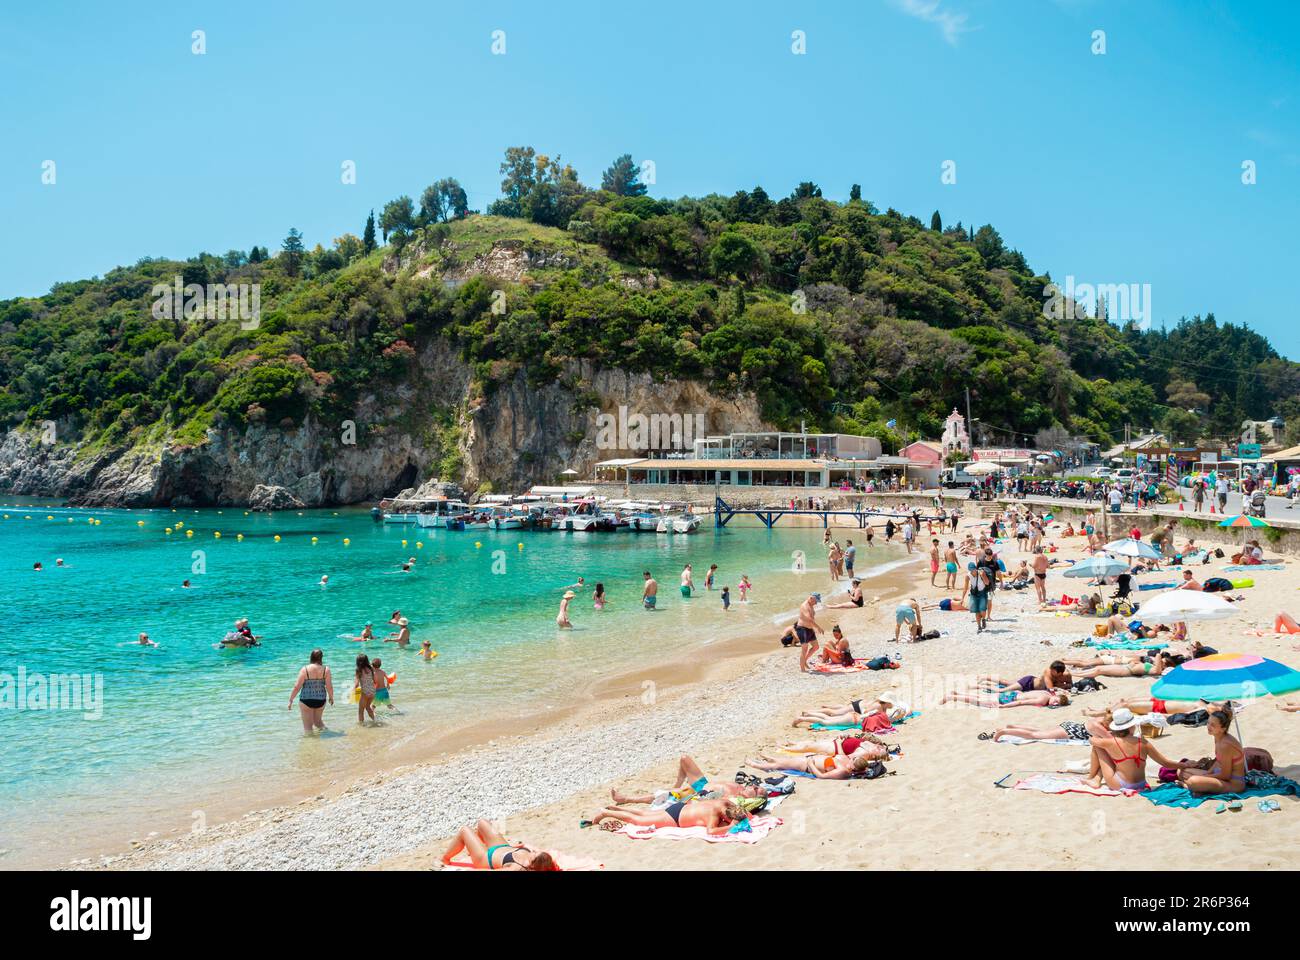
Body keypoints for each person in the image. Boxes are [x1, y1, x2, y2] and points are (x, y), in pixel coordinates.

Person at [1084, 707, 1183, 792]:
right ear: (1132, 725)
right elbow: (1166, 763)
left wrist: (1108, 736)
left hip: (1119, 784)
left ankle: (1093, 779)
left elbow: (1091, 740)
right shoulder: (1143, 743)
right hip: (1141, 784)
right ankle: (1095, 778)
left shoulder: (1111, 742)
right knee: (1106, 748)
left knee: (1098, 746)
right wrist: (1184, 765)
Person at [610, 755, 766, 805]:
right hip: (703, 783)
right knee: (685, 759)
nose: (754, 786)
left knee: (668, 794)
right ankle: (676, 785)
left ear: (754, 798)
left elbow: (714, 802)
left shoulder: (737, 799)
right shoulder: (743, 789)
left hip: (698, 793)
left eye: (756, 789)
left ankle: (626, 799)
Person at [1176, 708, 1248, 795]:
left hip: (1234, 784)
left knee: (1192, 781)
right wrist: (1208, 773)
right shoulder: (1218, 737)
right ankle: (1200, 788)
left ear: (1223, 729)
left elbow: (1226, 775)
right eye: (1208, 723)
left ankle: (1187, 786)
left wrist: (1205, 776)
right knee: (1180, 772)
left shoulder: (1225, 745)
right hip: (1220, 775)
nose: (1208, 726)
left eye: (1213, 725)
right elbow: (1219, 761)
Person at [587, 797, 748, 835]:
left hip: (680, 808)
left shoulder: (724, 802)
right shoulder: (714, 815)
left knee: (645, 813)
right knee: (638, 820)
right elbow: (711, 831)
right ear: (726, 817)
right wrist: (730, 826)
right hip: (675, 818)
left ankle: (615, 807)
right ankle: (606, 813)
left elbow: (743, 812)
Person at [442, 820, 559, 871]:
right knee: (483, 823)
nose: (532, 852)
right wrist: (518, 847)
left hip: (485, 858)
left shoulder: (517, 868)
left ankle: (444, 860)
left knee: (464, 830)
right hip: (501, 847)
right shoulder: (537, 859)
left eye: (533, 855)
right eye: (534, 852)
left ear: (532, 866)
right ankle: (476, 847)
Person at [744, 750, 881, 780]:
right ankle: (768, 756)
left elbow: (821, 776)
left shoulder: (842, 771)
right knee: (784, 760)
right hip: (811, 760)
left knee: (779, 765)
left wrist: (810, 763)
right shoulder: (847, 764)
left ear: (853, 765)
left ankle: (754, 764)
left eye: (853, 760)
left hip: (807, 765)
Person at [288, 649, 333, 733]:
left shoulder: (305, 669)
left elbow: (297, 687)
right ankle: (328, 735)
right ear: (321, 658)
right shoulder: (326, 669)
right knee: (318, 722)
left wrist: (291, 700)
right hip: (320, 700)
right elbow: (329, 686)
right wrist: (331, 697)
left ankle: (311, 745)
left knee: (308, 728)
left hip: (306, 700)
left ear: (311, 657)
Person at [941, 688, 1070, 708]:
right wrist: (1004, 706)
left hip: (1013, 693)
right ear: (1056, 697)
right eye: (1056, 701)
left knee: (981, 696)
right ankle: (952, 697)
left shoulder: (1047, 693)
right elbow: (1020, 703)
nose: (1054, 704)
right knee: (980, 701)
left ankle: (956, 693)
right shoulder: (1043, 700)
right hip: (1011, 699)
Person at [795, 593, 824, 672]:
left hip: (809, 629)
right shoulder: (805, 606)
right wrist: (818, 628)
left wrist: (813, 627)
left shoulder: (811, 605)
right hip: (802, 629)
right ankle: (802, 669)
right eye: (816, 601)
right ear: (811, 598)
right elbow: (809, 619)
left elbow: (811, 619)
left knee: (816, 647)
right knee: (804, 649)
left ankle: (804, 661)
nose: (816, 603)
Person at [353, 653, 377, 725]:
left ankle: (361, 725)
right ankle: (375, 721)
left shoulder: (358, 670)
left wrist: (352, 690)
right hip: (373, 691)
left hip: (365, 693)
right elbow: (375, 681)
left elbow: (356, 684)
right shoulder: (371, 669)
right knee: (368, 707)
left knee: (361, 710)